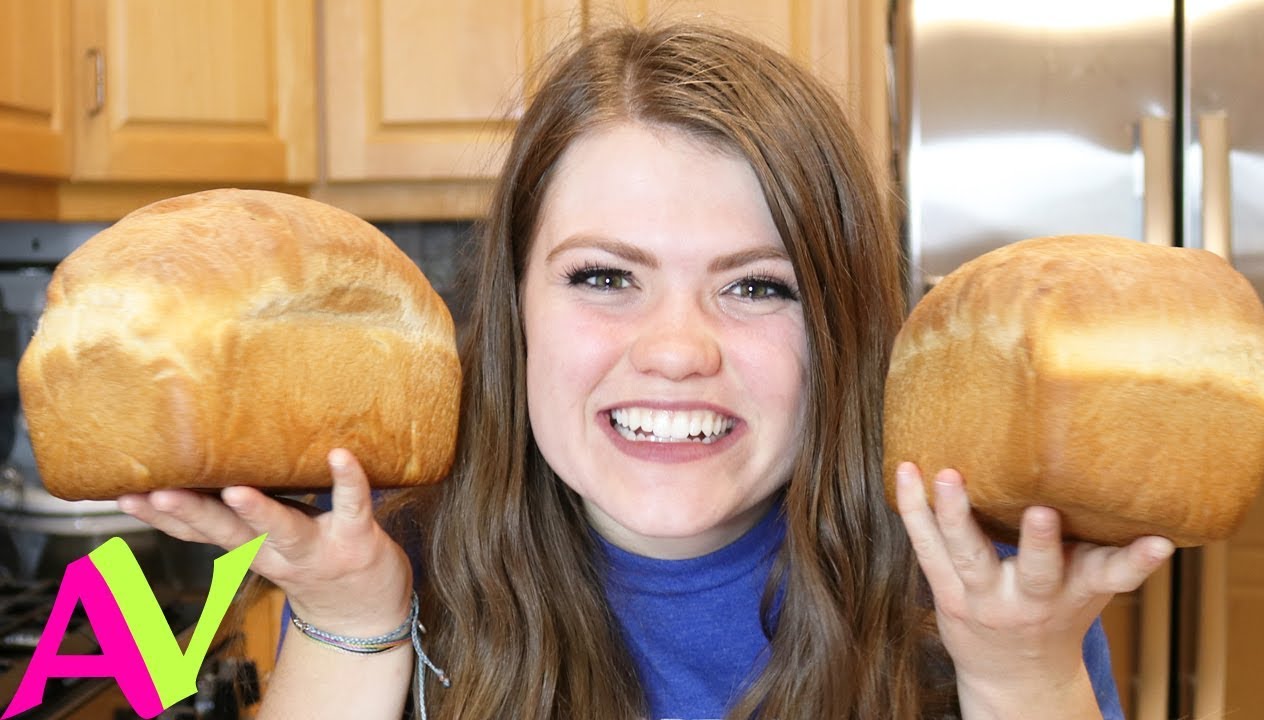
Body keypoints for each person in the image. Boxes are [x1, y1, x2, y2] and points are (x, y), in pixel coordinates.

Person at [118, 21, 1173, 720]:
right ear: (514, 307)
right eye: (603, 277)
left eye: (758, 287)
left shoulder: (979, 597)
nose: (675, 349)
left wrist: (1021, 677)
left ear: (842, 330)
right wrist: (350, 624)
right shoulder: (384, 570)